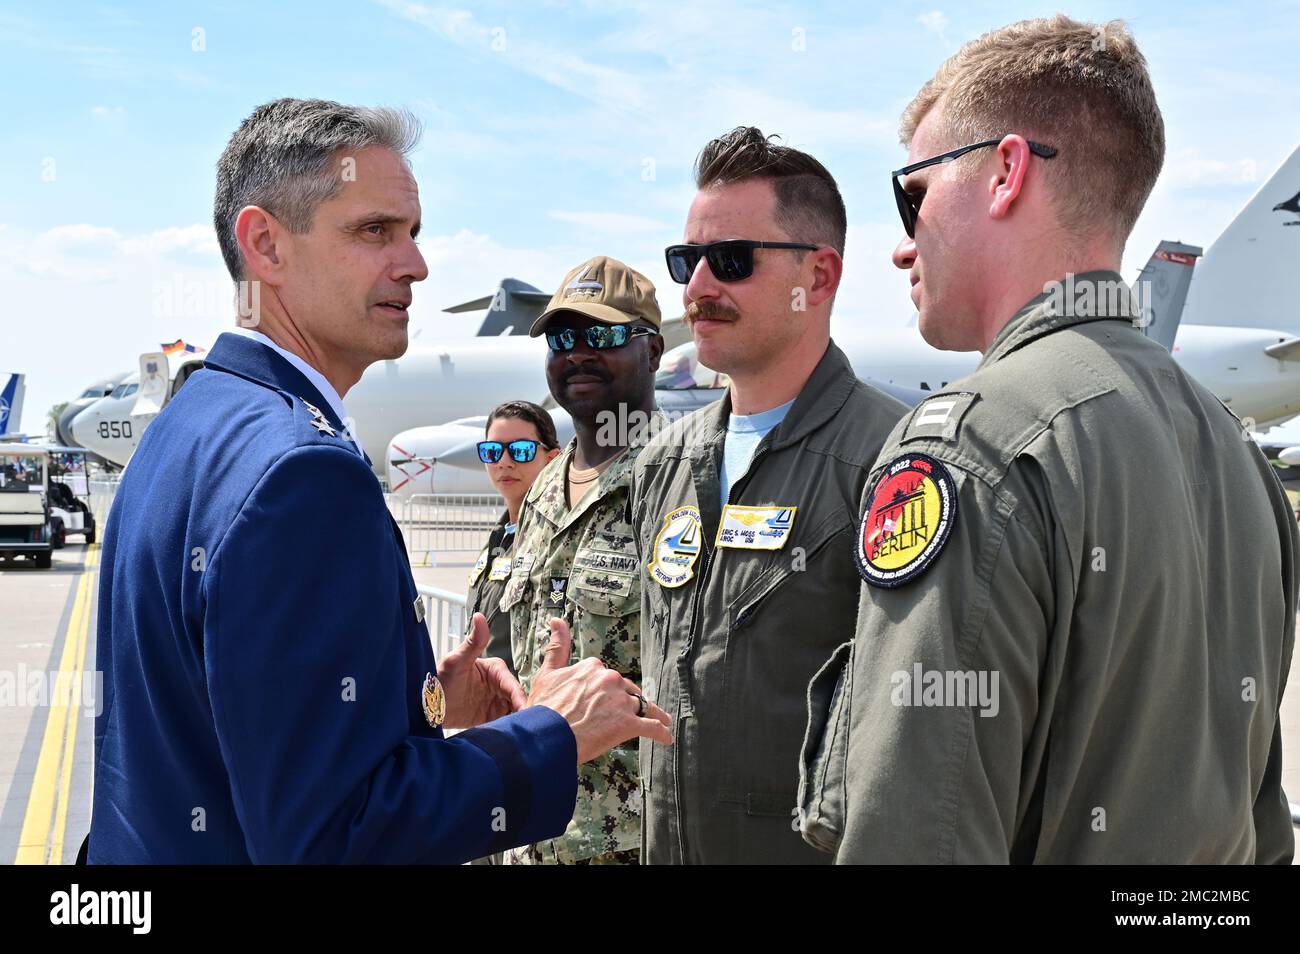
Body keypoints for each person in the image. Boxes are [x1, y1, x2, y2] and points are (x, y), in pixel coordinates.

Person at [87, 98, 670, 864]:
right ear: (266, 244)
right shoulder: (301, 472)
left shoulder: (189, 424)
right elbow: (337, 837)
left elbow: (235, 720)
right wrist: (550, 732)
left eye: (413, 234)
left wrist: (414, 699)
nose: (417, 264)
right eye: (374, 232)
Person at [800, 16, 1297, 863]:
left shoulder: (972, 449)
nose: (899, 244)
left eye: (912, 195)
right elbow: (1258, 814)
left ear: (1006, 171)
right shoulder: (1237, 456)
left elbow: (915, 836)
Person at [630, 128, 908, 863]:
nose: (695, 290)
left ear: (817, 278)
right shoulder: (664, 463)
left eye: (730, 260)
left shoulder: (892, 464)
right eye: (686, 262)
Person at [503, 256, 666, 864]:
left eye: (601, 336)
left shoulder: (681, 482)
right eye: (562, 339)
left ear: (652, 350)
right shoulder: (544, 489)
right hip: (527, 829)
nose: (577, 353)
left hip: (628, 843)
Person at [466, 401, 562, 678]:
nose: (504, 462)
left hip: (526, 706)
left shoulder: (556, 540)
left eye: (521, 451)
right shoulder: (500, 536)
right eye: (492, 451)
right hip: (487, 704)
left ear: (552, 458)